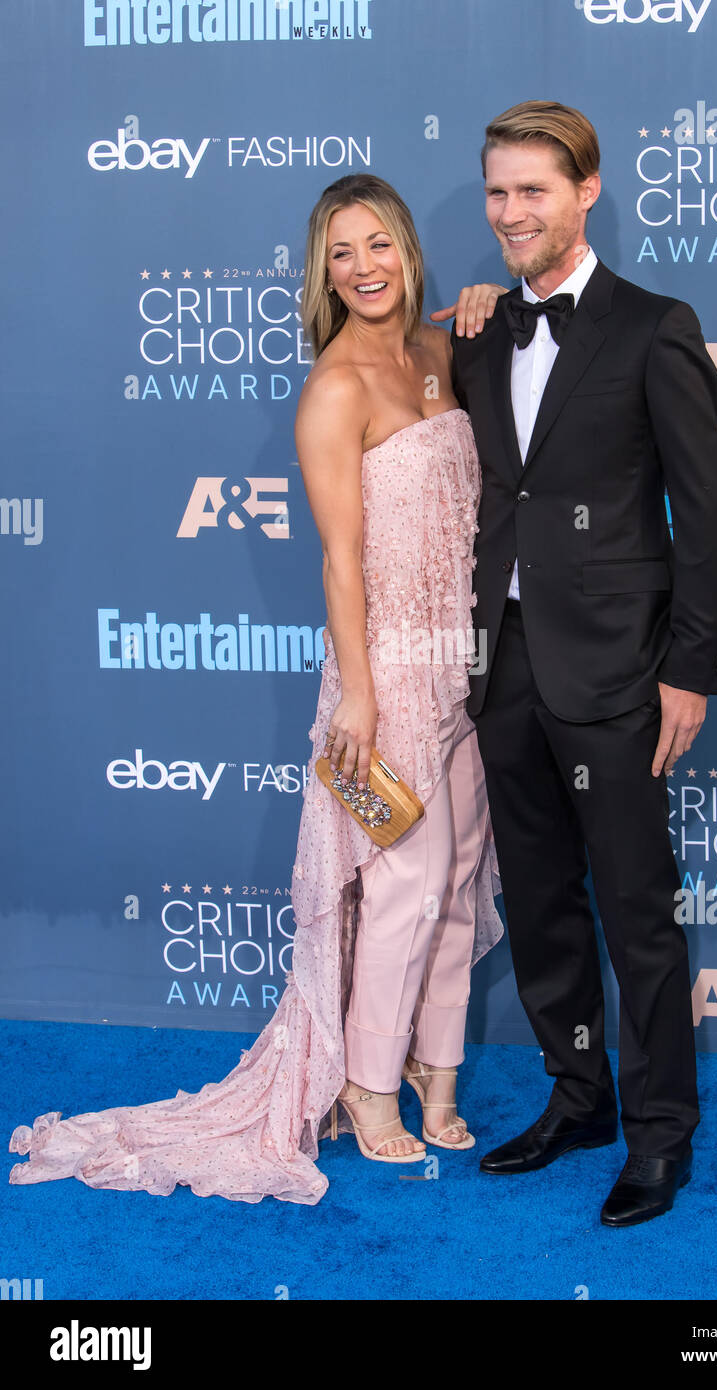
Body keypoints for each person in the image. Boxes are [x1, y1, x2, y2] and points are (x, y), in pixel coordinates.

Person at [8, 174, 503, 1204]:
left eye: (376, 245)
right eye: (339, 253)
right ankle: (368, 1087)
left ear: (406, 249)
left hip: (465, 665)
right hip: (385, 676)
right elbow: (338, 559)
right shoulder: (332, 388)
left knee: (457, 880)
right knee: (403, 885)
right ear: (320, 272)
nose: (362, 268)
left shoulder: (437, 350)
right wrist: (358, 699)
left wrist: (483, 305)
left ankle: (435, 1068)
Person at [443, 101, 717, 1227]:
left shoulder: (654, 325)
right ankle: (579, 1093)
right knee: (541, 904)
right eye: (497, 192)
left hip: (617, 668)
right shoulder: (476, 332)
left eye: (534, 191)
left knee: (634, 909)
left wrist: (687, 669)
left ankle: (661, 1132)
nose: (512, 212)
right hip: (503, 661)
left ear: (586, 192)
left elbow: (700, 516)